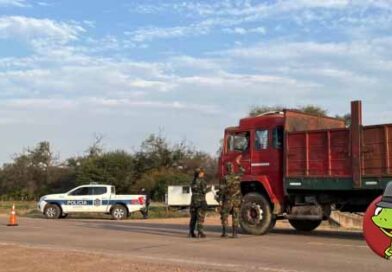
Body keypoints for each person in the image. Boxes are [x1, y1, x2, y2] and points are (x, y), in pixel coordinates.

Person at [219, 156, 244, 238]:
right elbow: (243, 171)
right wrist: (239, 164)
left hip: (228, 200)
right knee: (235, 216)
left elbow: (222, 190)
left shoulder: (225, 178)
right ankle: (234, 234)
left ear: (226, 169)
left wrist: (220, 200)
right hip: (237, 200)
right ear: (232, 168)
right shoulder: (237, 176)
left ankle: (224, 233)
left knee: (224, 215)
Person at [189, 168, 208, 238]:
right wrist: (208, 189)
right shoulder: (202, 181)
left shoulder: (193, 181)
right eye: (202, 172)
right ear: (199, 174)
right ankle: (200, 233)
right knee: (200, 217)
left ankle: (191, 232)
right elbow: (204, 191)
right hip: (200, 201)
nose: (203, 174)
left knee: (193, 218)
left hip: (193, 201)